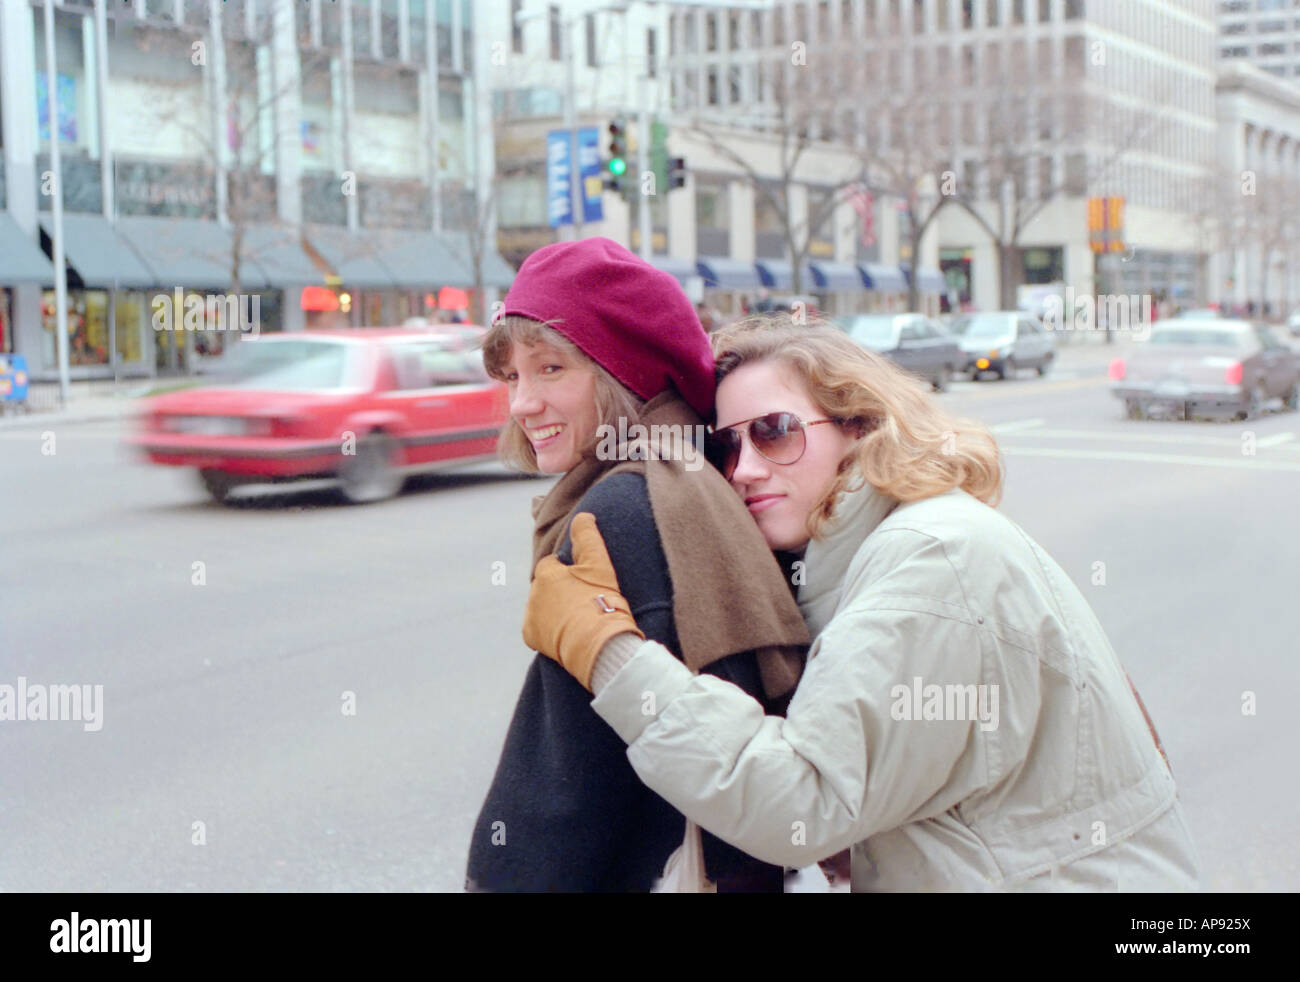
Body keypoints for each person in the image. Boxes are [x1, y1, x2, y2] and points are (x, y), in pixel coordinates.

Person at [521, 314, 1202, 891]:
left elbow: (804, 798)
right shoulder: (887, 552)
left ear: (861, 426)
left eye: (776, 431)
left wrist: (610, 654)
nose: (746, 469)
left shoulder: (930, 559)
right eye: (727, 446)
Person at [464, 239, 809, 893]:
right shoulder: (691, 477)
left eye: (551, 369)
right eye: (511, 376)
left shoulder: (617, 512)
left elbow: (567, 785)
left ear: (624, 371)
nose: (521, 403)